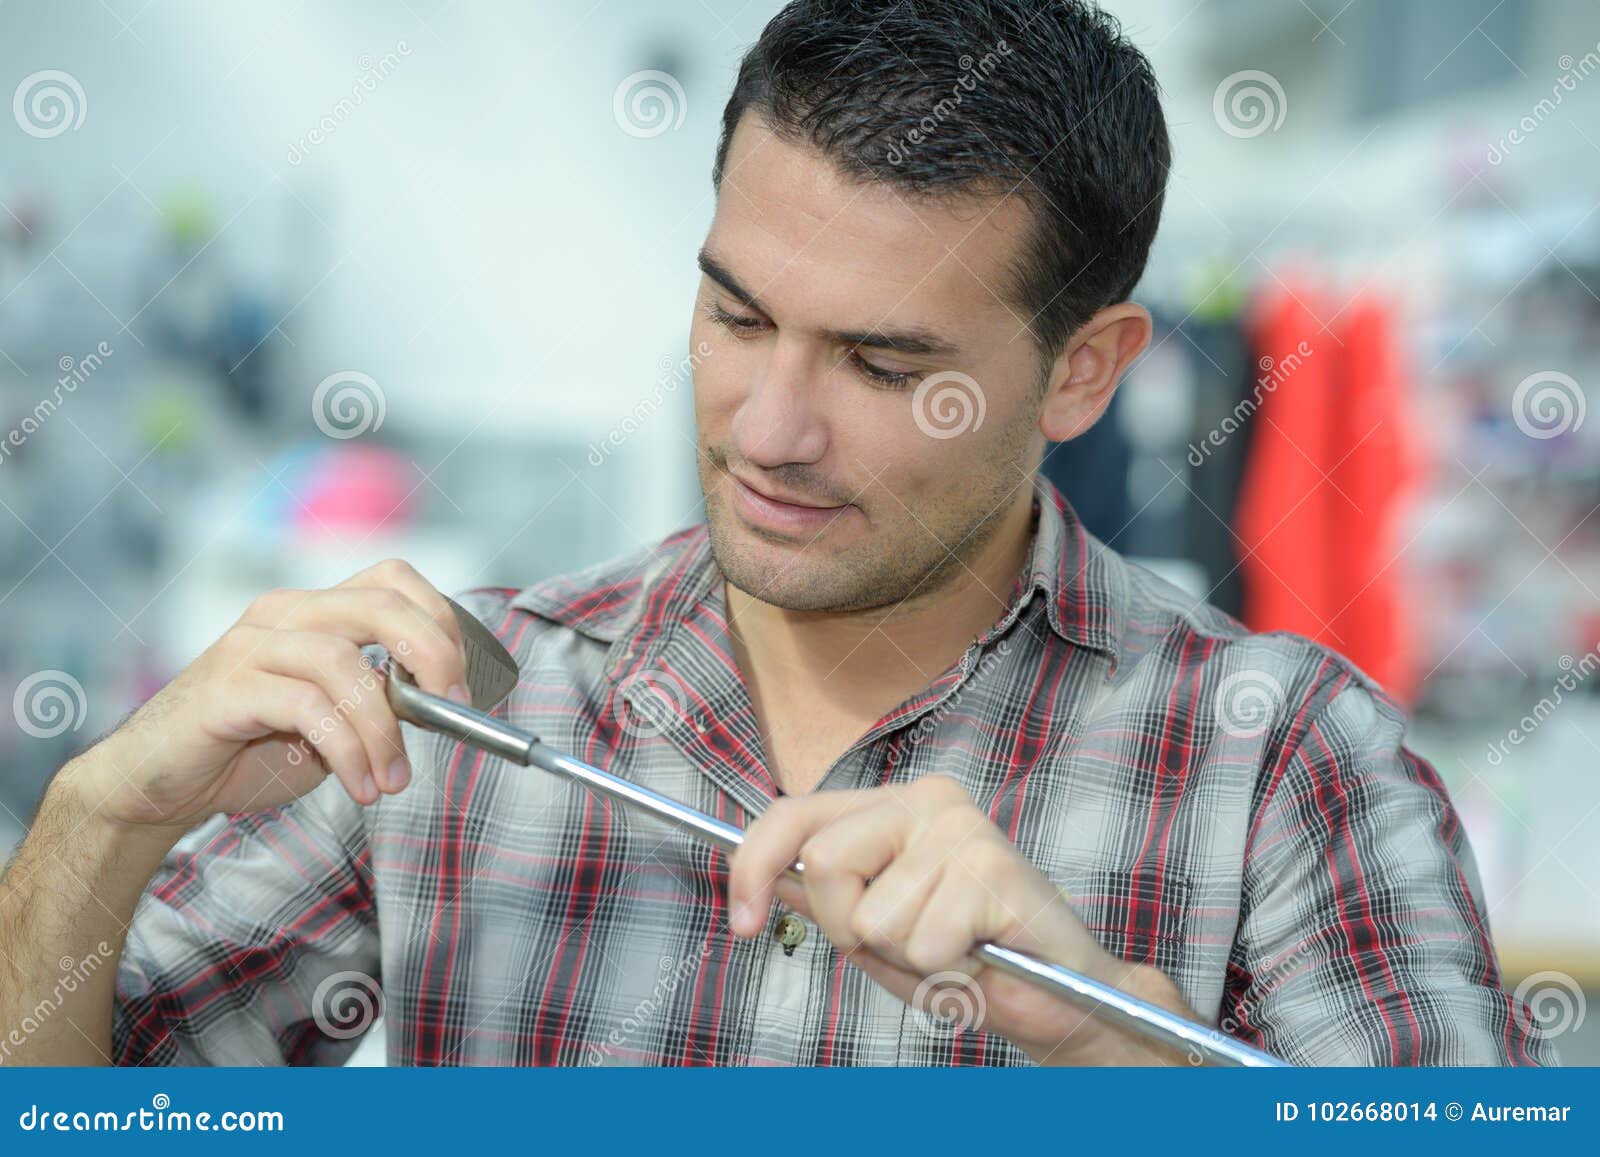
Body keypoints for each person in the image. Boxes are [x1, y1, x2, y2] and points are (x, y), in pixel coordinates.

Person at [0, 0, 1550, 1067]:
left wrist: (1107, 1046)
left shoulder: (1289, 766)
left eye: (885, 367)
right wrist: (94, 823)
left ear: (1083, 371)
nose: (770, 427)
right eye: (737, 314)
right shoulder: (454, 702)